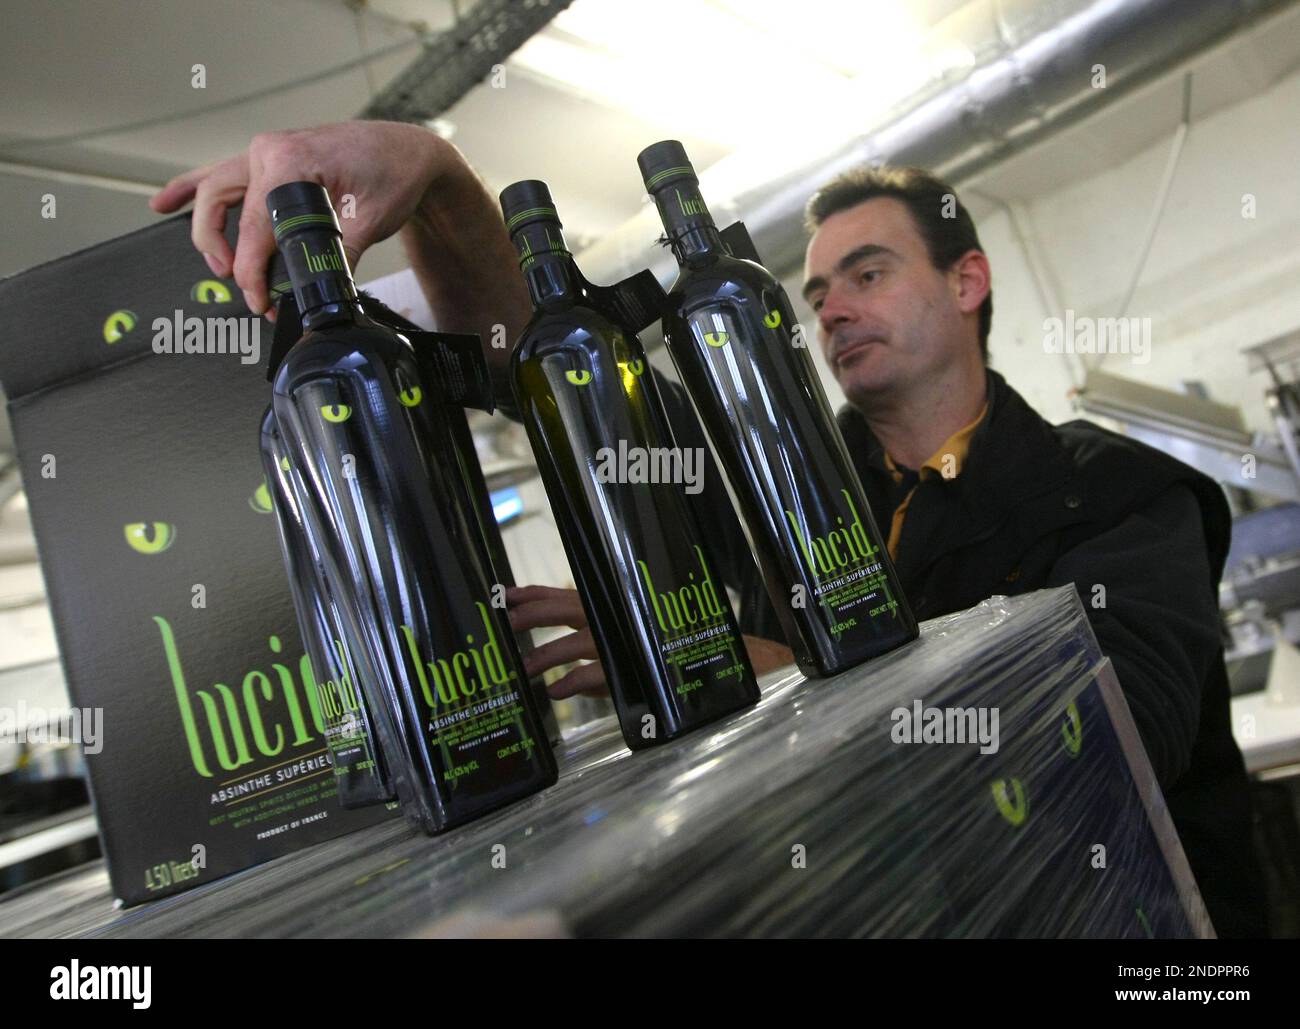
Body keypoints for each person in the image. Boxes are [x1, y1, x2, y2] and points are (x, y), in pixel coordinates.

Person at [152, 121, 1267, 937]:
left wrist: (776, 663)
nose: (830, 304)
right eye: (819, 284)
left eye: (868, 273)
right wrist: (443, 185)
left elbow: (1107, 733)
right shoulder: (778, 475)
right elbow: (543, 360)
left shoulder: (1121, 490)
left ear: (966, 280)